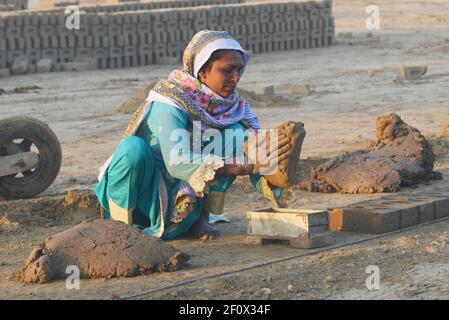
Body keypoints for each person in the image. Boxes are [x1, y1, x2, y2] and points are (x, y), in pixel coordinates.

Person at [94, 30, 292, 240]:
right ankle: (119, 234)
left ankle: (201, 221)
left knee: (238, 134)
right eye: (227, 70)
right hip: (141, 197)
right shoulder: (169, 102)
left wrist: (277, 162)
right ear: (203, 71)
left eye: (240, 69)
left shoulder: (234, 107)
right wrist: (247, 165)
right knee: (132, 148)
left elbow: (258, 157)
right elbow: (177, 162)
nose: (235, 78)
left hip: (181, 209)